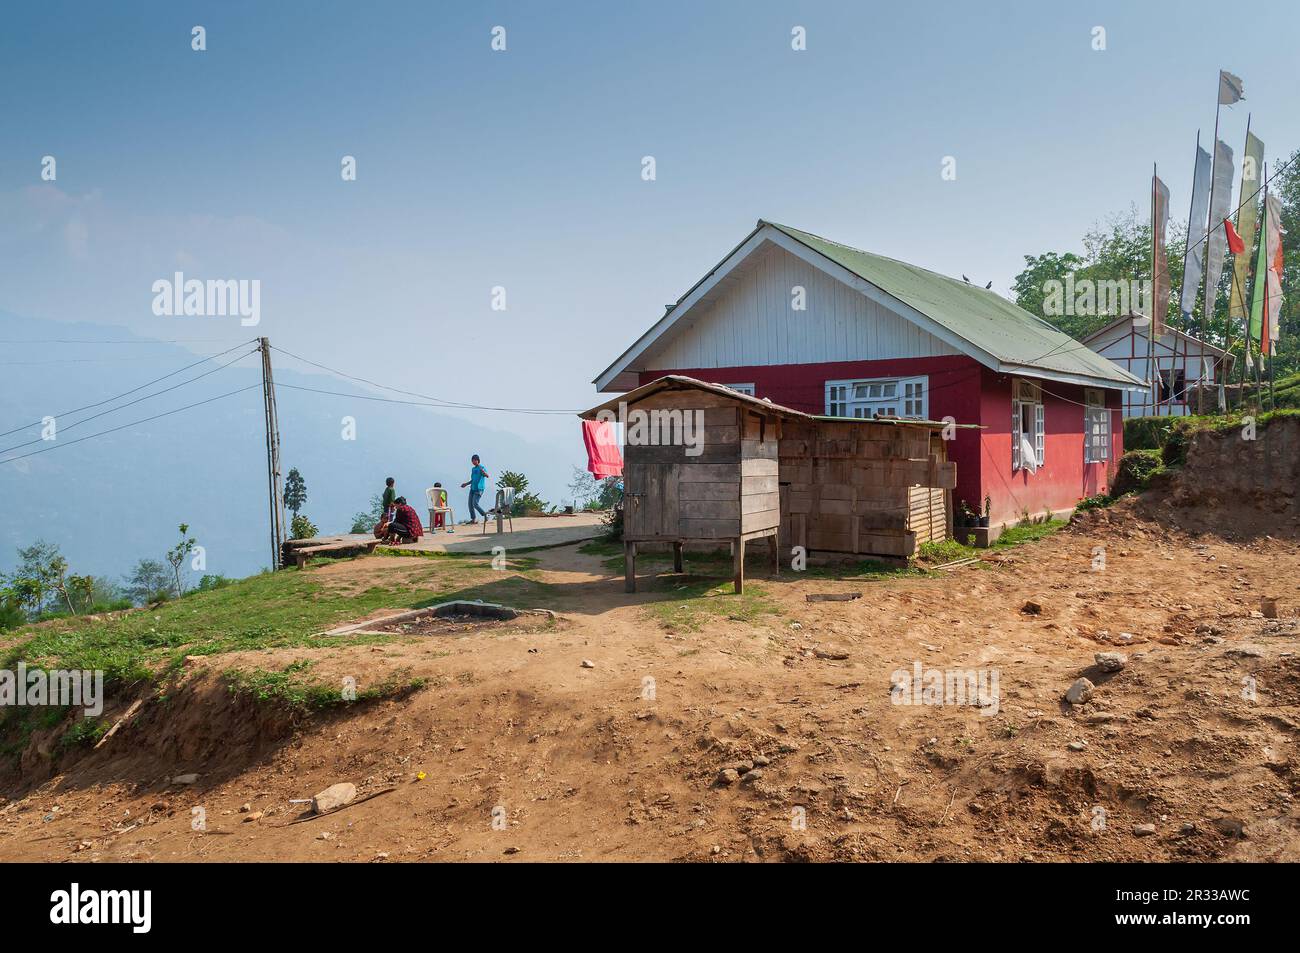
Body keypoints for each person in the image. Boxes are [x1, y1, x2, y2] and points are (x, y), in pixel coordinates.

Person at [461, 454, 490, 524]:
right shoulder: (473, 469)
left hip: (479, 489)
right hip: (473, 488)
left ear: (478, 460)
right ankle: (473, 519)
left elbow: (487, 476)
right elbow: (473, 479)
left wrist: (484, 473)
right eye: (472, 460)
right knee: (470, 504)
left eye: (474, 460)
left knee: (475, 504)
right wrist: (466, 484)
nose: (473, 462)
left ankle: (485, 514)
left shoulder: (481, 467)